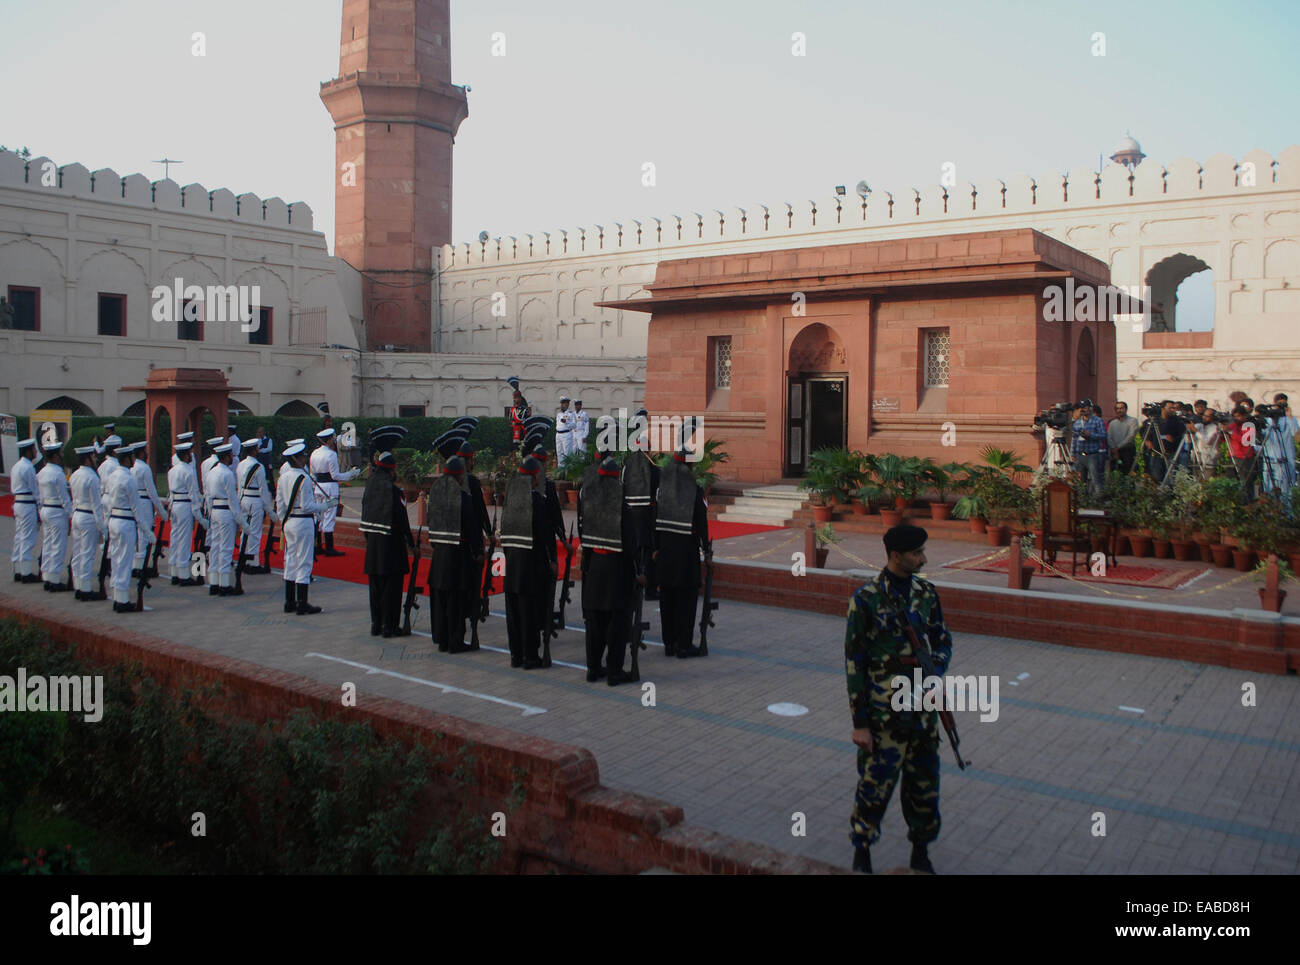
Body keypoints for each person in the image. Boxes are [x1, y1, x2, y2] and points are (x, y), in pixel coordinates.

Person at [845, 524, 952, 875]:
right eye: (916, 553)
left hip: (922, 713)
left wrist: (934, 668)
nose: (923, 558)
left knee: (924, 788)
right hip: (884, 716)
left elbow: (943, 639)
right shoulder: (866, 599)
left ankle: (920, 853)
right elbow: (854, 663)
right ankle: (862, 851)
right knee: (874, 788)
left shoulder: (926, 593)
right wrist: (860, 723)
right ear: (895, 555)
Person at [578, 456, 634, 684]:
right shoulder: (622, 506)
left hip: (594, 569)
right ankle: (614, 672)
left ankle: (593, 668)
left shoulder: (590, 501)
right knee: (617, 624)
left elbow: (584, 539)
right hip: (616, 569)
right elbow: (630, 543)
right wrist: (636, 573)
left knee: (595, 624)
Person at [653, 448, 709, 658]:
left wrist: (656, 547)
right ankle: (683, 644)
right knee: (686, 598)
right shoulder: (694, 488)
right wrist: (706, 548)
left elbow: (654, 519)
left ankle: (669, 643)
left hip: (666, 549)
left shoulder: (662, 487)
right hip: (686, 551)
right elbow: (701, 520)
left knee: (667, 596)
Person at [500, 457, 555, 669]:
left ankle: (516, 655)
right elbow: (544, 535)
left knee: (513, 613)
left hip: (512, 562)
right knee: (529, 613)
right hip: (531, 565)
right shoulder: (536, 501)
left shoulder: (510, 498)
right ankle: (530, 656)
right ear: (532, 478)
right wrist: (550, 561)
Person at [361, 450, 415, 639]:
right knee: (392, 588)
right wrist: (410, 542)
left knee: (375, 587)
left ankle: (376, 623)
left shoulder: (369, 487)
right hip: (391, 543)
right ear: (392, 471)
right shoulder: (394, 491)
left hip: (373, 542)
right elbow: (402, 519)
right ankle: (390, 626)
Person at [426, 456, 477, 651]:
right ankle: (455, 641)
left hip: (439, 554)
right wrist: (478, 551)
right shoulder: (463, 498)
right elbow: (471, 528)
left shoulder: (436, 495)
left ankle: (443, 639)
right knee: (456, 601)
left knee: (441, 599)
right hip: (457, 555)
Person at [276, 442, 330, 615]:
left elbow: (280, 505)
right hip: (303, 521)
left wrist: (283, 522)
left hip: (289, 522)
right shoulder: (304, 478)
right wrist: (325, 506)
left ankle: (289, 601)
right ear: (297, 459)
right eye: (302, 456)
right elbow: (307, 506)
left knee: (290, 560)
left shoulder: (283, 477)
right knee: (304, 561)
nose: (304, 459)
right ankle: (302, 603)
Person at [103, 443, 154, 613]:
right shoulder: (128, 478)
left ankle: (117, 597)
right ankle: (123, 601)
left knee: (117, 560)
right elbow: (137, 509)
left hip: (114, 521)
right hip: (125, 522)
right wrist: (147, 532)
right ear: (127, 459)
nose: (134, 460)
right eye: (131, 457)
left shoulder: (112, 476)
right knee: (124, 561)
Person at [205, 444, 250, 597]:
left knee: (215, 547)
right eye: (230, 454)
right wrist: (242, 522)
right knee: (226, 548)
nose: (232, 457)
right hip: (225, 512)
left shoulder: (211, 473)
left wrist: (210, 513)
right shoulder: (227, 474)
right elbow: (232, 500)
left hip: (215, 511)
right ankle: (224, 584)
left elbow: (208, 496)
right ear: (225, 457)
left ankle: (214, 583)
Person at [622, 410, 660, 598]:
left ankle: (632, 583)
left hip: (629, 515)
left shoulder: (627, 466)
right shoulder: (653, 468)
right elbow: (658, 494)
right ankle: (650, 590)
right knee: (649, 552)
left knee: (633, 550)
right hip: (647, 515)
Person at [309, 427, 358, 556]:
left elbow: (312, 474)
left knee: (318, 516)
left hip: (318, 487)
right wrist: (350, 474)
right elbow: (335, 475)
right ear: (330, 439)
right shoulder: (331, 454)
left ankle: (318, 545)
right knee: (329, 516)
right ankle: (329, 548)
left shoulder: (314, 453)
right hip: (330, 489)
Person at [68, 446, 107, 600]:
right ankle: (85, 589)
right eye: (93, 456)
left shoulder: (75, 475)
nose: (95, 459)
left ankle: (78, 585)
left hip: (77, 514)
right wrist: (102, 528)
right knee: (87, 554)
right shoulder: (92, 477)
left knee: (77, 552)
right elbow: (97, 506)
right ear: (87, 459)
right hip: (88, 517)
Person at [166, 441, 206, 586]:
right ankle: (183, 574)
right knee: (184, 539)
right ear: (185, 455)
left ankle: (174, 571)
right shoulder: (188, 471)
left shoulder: (172, 470)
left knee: (175, 537)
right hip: (184, 506)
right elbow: (193, 495)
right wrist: (200, 518)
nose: (191, 456)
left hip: (175, 505)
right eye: (189, 453)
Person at [36, 440, 72, 591]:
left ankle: (47, 576)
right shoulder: (58, 473)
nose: (61, 456)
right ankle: (54, 580)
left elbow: (38, 495)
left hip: (45, 510)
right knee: (58, 546)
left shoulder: (42, 472)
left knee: (48, 543)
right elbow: (64, 498)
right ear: (56, 456)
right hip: (57, 511)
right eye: (60, 453)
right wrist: (71, 515)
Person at [237, 439, 277, 574]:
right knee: (255, 532)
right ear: (254, 450)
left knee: (245, 531)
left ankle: (243, 558)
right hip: (255, 501)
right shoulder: (258, 467)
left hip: (243, 500)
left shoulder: (240, 464)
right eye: (257, 448)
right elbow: (263, 490)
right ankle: (253, 563)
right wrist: (270, 511)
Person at [131, 440, 167, 578]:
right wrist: (161, 510)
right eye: (145, 451)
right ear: (141, 453)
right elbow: (151, 491)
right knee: (144, 536)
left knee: (137, 535)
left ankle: (136, 565)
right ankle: (141, 567)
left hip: (135, 502)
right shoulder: (144, 468)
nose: (147, 453)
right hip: (144, 503)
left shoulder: (132, 468)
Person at [10, 437, 42, 583]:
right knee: (27, 538)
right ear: (28, 451)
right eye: (34, 449)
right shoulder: (28, 467)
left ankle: (17, 570)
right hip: (27, 504)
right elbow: (35, 490)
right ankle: (26, 573)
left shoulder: (16, 466)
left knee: (19, 537)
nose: (36, 452)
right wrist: (40, 507)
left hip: (18, 503)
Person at [1261, 393, 1299, 502]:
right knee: (1268, 486)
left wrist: (1290, 416)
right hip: (1271, 458)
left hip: (1287, 456)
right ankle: (1270, 509)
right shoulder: (1268, 420)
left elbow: (1294, 433)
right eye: (1279, 404)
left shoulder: (1290, 419)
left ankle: (1286, 511)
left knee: (1286, 486)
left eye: (1284, 404)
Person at [1070, 401, 1106, 499]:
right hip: (1079, 454)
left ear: (1090, 408)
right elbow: (1074, 439)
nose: (1083, 410)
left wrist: (1091, 435)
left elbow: (1103, 436)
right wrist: (1072, 454)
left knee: (1095, 479)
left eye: (1085, 407)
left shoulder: (1098, 421)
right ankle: (1082, 500)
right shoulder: (1077, 423)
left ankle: (1098, 500)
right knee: (1081, 480)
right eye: (1081, 408)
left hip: (1092, 454)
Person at [1226, 405, 1260, 503]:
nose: (1237, 418)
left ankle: (1247, 503)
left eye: (1239, 416)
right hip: (1233, 456)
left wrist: (1231, 432)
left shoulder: (1250, 425)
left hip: (1246, 457)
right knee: (1231, 481)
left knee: (1246, 482)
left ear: (1245, 416)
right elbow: (1223, 437)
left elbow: (1247, 441)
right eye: (1235, 416)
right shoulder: (1233, 425)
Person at [1107, 401, 1139, 475]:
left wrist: (1118, 447)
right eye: (1117, 409)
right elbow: (1109, 437)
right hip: (1114, 452)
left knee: (1128, 473)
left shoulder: (1133, 421)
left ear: (1126, 409)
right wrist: (1114, 448)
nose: (1119, 410)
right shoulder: (1112, 423)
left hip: (1127, 451)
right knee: (1114, 473)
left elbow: (1131, 436)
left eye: (1121, 408)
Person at [1193, 408, 1224, 478]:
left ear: (1212, 418)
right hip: (1197, 457)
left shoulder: (1215, 428)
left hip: (1208, 458)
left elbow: (1208, 442)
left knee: (1207, 480)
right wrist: (1189, 431)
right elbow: (1188, 441)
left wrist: (1196, 431)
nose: (1205, 418)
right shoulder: (1198, 426)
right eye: (1204, 415)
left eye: (1207, 416)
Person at [555, 396, 576, 466]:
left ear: (567, 405)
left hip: (566, 435)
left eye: (564, 403)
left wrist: (566, 422)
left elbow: (574, 425)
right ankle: (560, 472)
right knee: (559, 453)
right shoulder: (559, 414)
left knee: (567, 453)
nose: (562, 405)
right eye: (562, 403)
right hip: (558, 435)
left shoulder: (571, 414)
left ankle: (567, 471)